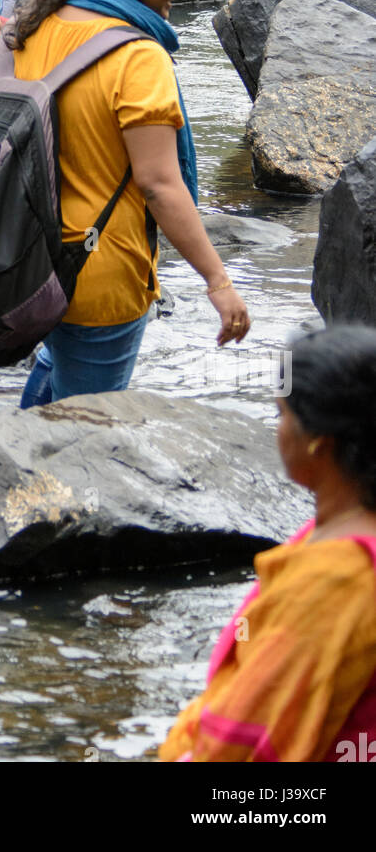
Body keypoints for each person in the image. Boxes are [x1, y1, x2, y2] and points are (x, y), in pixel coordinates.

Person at [10, 0, 250, 407]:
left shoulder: (37, 25)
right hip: (102, 274)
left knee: (52, 391)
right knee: (86, 436)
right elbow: (159, 184)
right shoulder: (140, 56)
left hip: (34, 260)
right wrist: (218, 280)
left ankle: (3, 479)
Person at [160, 324, 376, 763]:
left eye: (282, 414)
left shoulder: (335, 580)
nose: (277, 430)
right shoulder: (333, 533)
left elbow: (236, 742)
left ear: (319, 440)